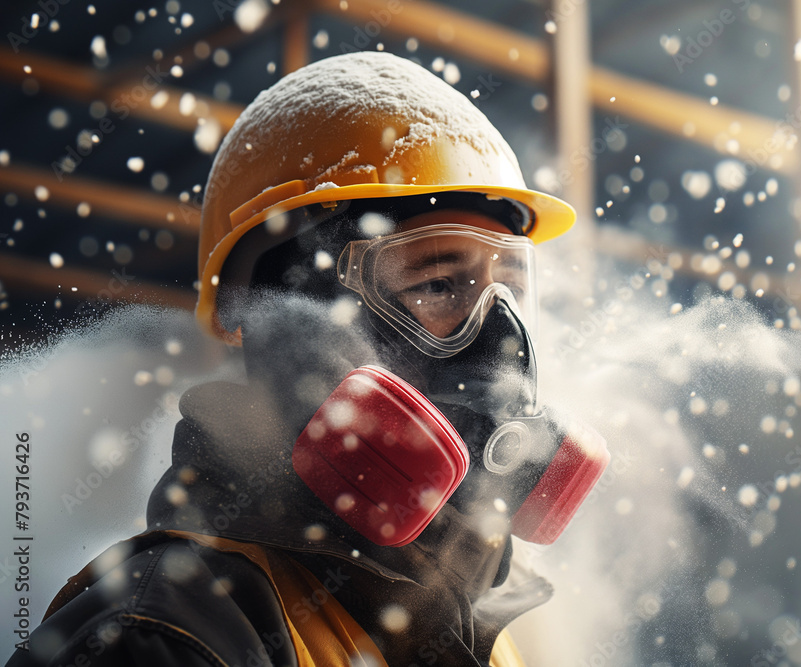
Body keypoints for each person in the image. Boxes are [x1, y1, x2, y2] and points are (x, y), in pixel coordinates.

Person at [7, 51, 608, 667]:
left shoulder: (492, 629)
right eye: (435, 285)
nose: (501, 341)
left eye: (510, 290)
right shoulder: (163, 637)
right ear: (277, 323)